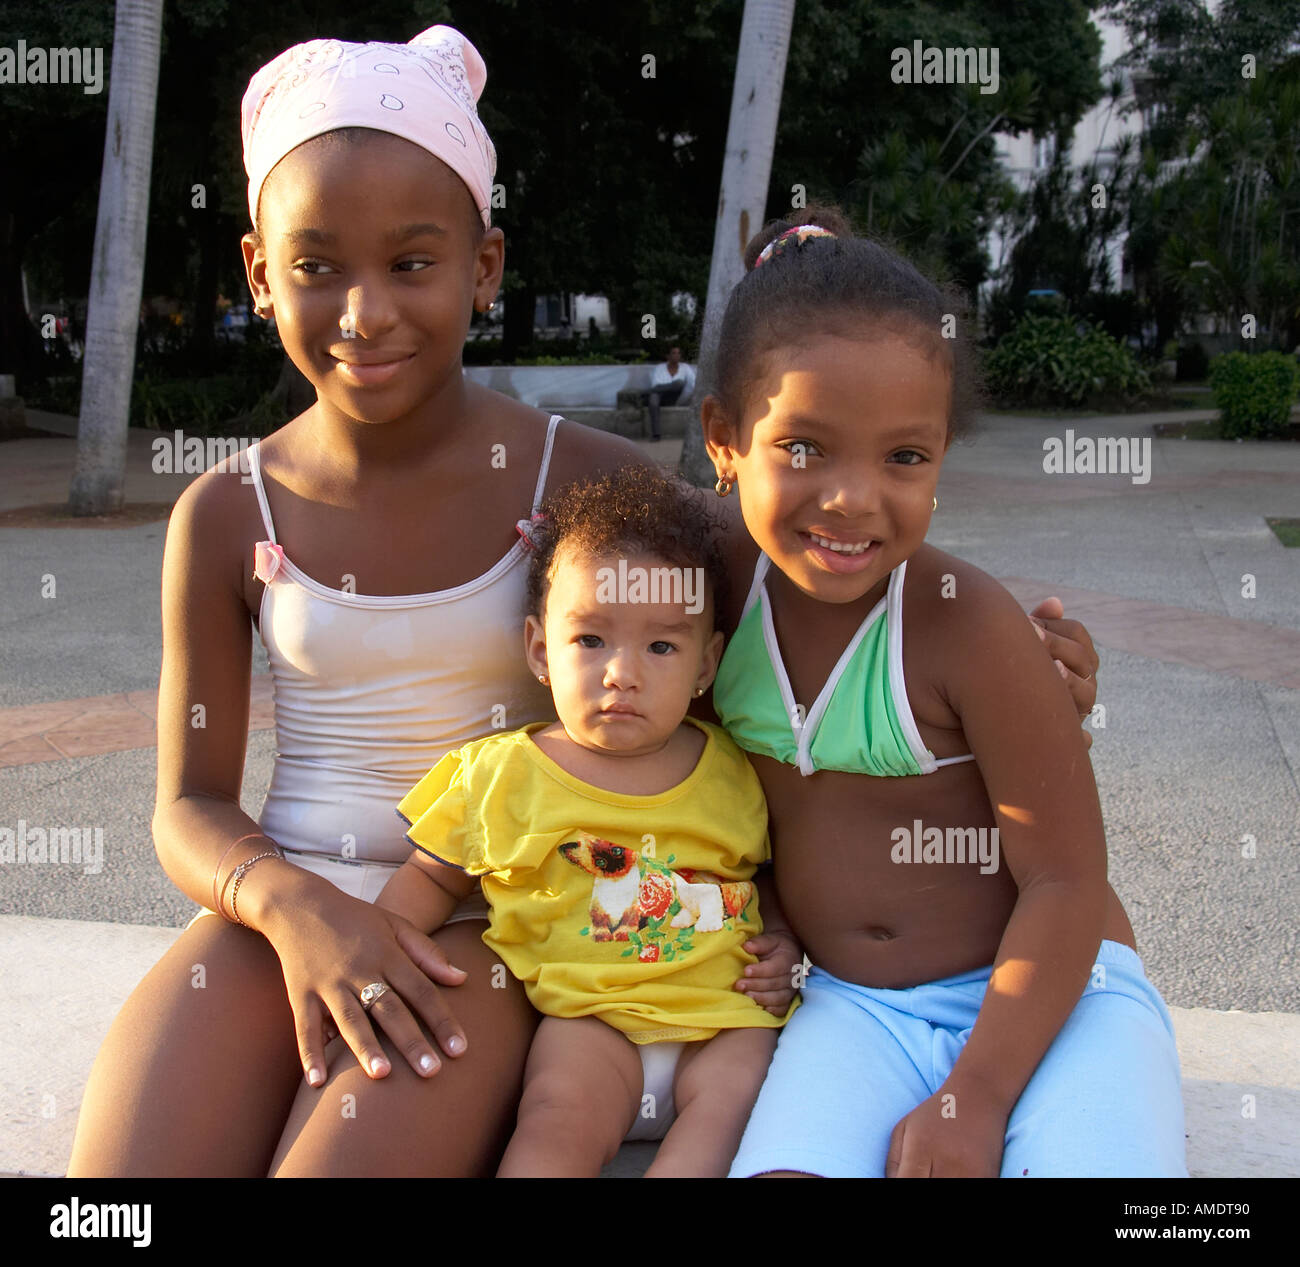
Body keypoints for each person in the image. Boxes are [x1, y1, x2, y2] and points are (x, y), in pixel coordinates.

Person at [65, 20, 1103, 1177]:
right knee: (113, 1193)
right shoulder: (223, 510)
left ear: (485, 267)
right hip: (280, 912)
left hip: (498, 922)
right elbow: (187, 806)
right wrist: (295, 907)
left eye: (412, 262)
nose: (366, 312)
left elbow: (815, 557)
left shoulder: (586, 478)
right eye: (317, 266)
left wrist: (1014, 663)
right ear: (260, 275)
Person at [700, 211, 1187, 1178]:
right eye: (803, 446)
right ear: (725, 439)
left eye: (905, 457)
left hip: (1056, 999)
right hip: (854, 1008)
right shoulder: (704, 587)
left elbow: (1065, 879)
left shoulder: (970, 624)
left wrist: (975, 1099)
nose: (853, 498)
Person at [376, 467, 798, 1177]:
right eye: (592, 640)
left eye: (662, 646)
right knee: (556, 1124)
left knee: (731, 1116)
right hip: (586, 1019)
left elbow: (762, 877)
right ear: (541, 649)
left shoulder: (734, 768)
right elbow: (426, 879)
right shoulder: (500, 773)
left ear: (707, 663)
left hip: (726, 1016)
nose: (621, 673)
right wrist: (378, 957)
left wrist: (785, 948)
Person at [645, 346, 695, 440]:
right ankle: (656, 434)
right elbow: (655, 385)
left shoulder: (685, 368)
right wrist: (670, 386)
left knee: (679, 383)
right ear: (668, 356)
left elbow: (692, 384)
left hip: (676, 398)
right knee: (653, 399)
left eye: (678, 353)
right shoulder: (660, 368)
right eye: (674, 353)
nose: (676, 355)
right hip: (661, 397)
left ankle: (645, 393)